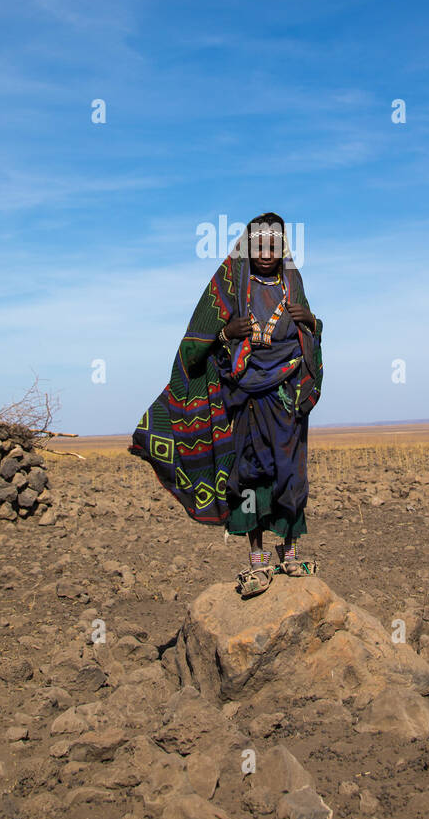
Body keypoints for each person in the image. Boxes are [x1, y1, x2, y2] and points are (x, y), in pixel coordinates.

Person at [129, 213, 323, 597]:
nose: (266, 252)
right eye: (259, 244)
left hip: (286, 398)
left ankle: (290, 552)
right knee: (250, 474)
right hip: (244, 398)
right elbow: (194, 344)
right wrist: (224, 333)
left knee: (291, 473)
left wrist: (314, 323)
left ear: (283, 246)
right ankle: (257, 559)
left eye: (274, 244)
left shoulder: (293, 282)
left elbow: (309, 341)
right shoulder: (229, 283)